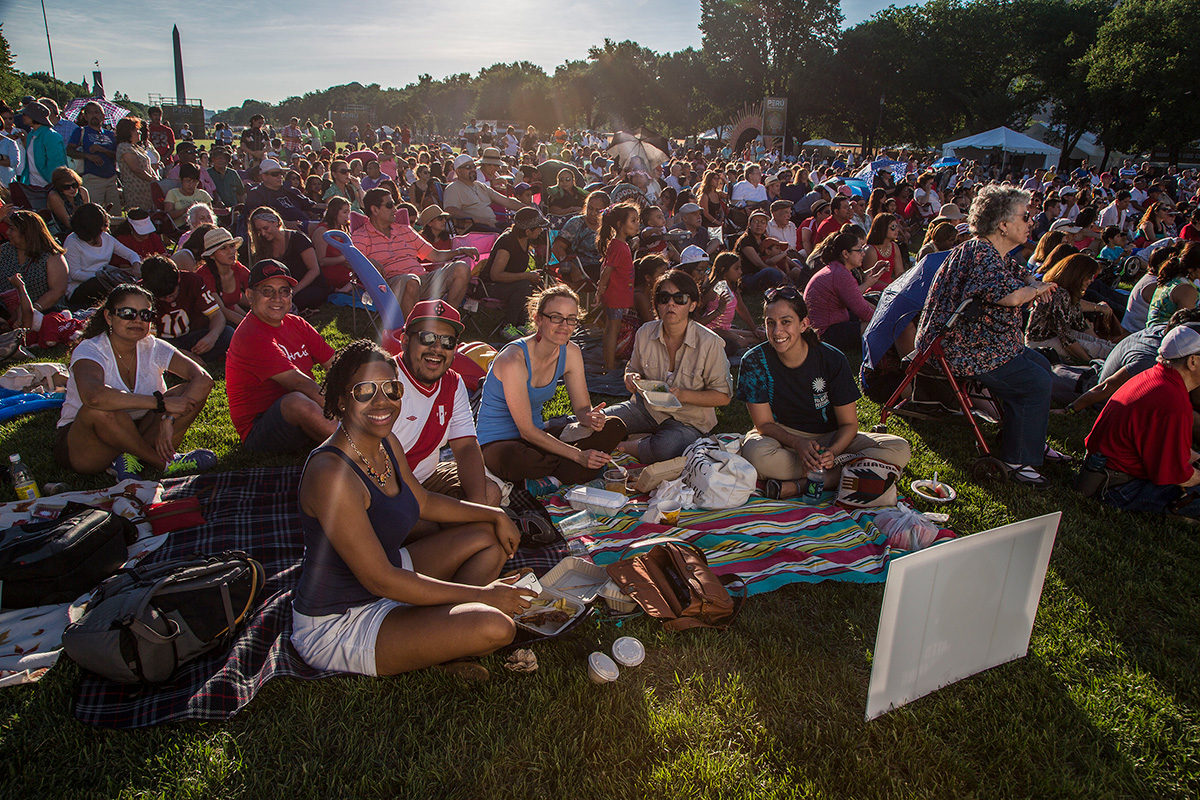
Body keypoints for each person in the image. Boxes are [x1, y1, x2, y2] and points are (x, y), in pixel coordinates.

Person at [292, 339, 532, 680]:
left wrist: (494, 514)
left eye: (392, 389)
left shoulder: (385, 442)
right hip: (343, 619)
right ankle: (448, 633)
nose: (382, 401)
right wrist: (486, 596)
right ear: (341, 399)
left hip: (390, 571)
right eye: (365, 390)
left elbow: (423, 502)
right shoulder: (331, 475)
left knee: (488, 537)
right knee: (496, 628)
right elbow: (380, 580)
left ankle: (441, 629)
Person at [914, 185, 1061, 487]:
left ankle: (1025, 438)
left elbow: (1020, 276)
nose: (1030, 222)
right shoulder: (982, 254)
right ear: (1003, 225)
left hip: (984, 342)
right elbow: (1008, 295)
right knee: (1036, 382)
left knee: (1042, 368)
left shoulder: (993, 252)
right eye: (1024, 216)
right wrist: (1035, 290)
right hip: (960, 346)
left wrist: (1034, 283)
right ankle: (1017, 459)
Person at [738, 287, 911, 498]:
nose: (777, 332)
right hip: (783, 438)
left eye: (786, 322)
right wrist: (797, 443)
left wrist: (833, 452)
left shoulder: (831, 359)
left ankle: (807, 483)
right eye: (770, 322)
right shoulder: (754, 360)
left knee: (899, 448)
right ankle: (850, 474)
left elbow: (849, 424)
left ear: (803, 324)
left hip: (830, 439)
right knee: (756, 454)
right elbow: (764, 425)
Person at [54, 283, 215, 479]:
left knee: (187, 392)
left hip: (139, 429)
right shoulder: (91, 349)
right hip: (87, 441)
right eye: (128, 313)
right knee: (102, 410)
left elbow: (203, 379)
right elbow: (93, 396)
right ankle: (163, 463)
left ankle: (129, 459)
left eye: (145, 315)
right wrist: (160, 403)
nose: (137, 320)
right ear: (109, 316)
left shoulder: (153, 346)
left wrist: (169, 418)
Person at [476, 286, 626, 490]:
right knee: (526, 460)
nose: (565, 325)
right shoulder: (514, 359)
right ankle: (574, 470)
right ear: (538, 319)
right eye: (556, 317)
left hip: (538, 438)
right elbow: (526, 431)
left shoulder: (571, 353)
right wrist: (579, 456)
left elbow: (582, 408)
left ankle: (554, 478)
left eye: (571, 318)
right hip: (501, 443)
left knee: (614, 426)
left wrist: (590, 418)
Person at [607, 270, 732, 463]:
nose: (670, 304)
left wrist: (683, 395)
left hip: (688, 421)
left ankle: (616, 447)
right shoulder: (645, 333)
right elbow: (632, 369)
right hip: (647, 409)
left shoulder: (710, 343)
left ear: (692, 305)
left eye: (679, 298)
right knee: (601, 421)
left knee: (666, 447)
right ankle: (635, 442)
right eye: (664, 298)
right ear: (656, 303)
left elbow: (723, 396)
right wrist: (630, 378)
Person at [1081, 325, 1200, 520]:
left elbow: (1160, 442)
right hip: (1120, 488)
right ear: (1192, 361)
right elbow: (1178, 475)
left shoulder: (1157, 377)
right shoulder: (1172, 401)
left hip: (1105, 472)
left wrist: (1194, 458)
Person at [390, 301, 500, 507]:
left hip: (428, 479)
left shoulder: (453, 382)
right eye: (427, 337)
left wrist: (480, 506)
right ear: (404, 341)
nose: (437, 348)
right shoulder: (386, 380)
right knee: (417, 521)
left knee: (490, 493)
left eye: (447, 342)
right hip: (385, 487)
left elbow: (466, 445)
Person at [226, 260, 338, 454]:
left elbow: (336, 364)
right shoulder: (250, 335)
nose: (277, 298)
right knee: (295, 402)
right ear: (250, 296)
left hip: (303, 410)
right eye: (267, 291)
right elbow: (298, 383)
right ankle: (358, 447)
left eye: (284, 291)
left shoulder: (296, 323)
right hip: (259, 429)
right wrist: (343, 411)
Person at [351, 188, 475, 320]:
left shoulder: (404, 230)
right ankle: (411, 331)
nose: (395, 210)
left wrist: (461, 251)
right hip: (389, 286)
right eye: (389, 205)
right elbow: (352, 262)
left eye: (394, 205)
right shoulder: (362, 235)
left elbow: (435, 256)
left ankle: (446, 320)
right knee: (411, 281)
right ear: (375, 210)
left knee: (461, 268)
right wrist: (368, 262)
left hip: (422, 279)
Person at [139, 254, 232, 367]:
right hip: (160, 344)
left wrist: (212, 336)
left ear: (178, 279)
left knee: (227, 333)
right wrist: (178, 354)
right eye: (163, 298)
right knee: (143, 350)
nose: (168, 300)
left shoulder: (192, 280)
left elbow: (217, 315)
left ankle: (178, 365)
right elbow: (143, 338)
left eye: (172, 295)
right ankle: (181, 363)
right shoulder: (139, 293)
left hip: (190, 338)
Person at [1025, 253, 1116, 363]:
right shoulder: (1057, 295)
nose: (1091, 281)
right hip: (1041, 341)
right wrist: (1089, 361)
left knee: (1104, 347)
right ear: (1077, 275)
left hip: (1056, 335)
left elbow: (1081, 325)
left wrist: (1099, 342)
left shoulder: (1069, 293)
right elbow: (1066, 340)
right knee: (1100, 351)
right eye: (1089, 277)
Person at [803, 227, 882, 353]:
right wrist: (886, 319)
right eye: (859, 250)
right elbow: (862, 311)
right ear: (845, 254)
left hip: (822, 327)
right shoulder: (840, 274)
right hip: (824, 333)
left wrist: (881, 311)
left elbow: (858, 301)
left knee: (874, 308)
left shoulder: (837, 269)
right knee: (878, 326)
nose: (863, 253)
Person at [483, 207, 549, 339]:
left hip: (507, 285)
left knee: (538, 284)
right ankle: (507, 326)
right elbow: (495, 275)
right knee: (524, 285)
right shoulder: (507, 242)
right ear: (528, 231)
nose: (541, 230)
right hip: (489, 286)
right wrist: (526, 275)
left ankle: (524, 323)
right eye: (539, 227)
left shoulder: (526, 240)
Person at [63, 203, 143, 310]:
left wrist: (136, 266)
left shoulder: (106, 238)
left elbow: (130, 254)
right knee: (101, 285)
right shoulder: (72, 241)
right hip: (80, 287)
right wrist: (103, 277)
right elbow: (74, 274)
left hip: (105, 280)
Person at [247, 206, 327, 310]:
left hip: (308, 285)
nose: (263, 233)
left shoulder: (298, 239)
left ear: (275, 222)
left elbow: (314, 270)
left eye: (265, 228)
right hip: (282, 289)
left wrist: (294, 290)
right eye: (259, 230)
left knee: (298, 299)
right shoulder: (264, 247)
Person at [597, 202, 640, 372]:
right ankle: (608, 365)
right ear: (620, 225)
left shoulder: (620, 245)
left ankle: (609, 361)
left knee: (611, 328)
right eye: (633, 221)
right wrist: (600, 291)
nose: (637, 225)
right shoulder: (619, 247)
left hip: (618, 293)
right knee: (612, 330)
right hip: (615, 295)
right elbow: (606, 271)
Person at [0, 209, 68, 313]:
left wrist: (31, 310)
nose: (8, 232)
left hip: (44, 313)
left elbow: (58, 290)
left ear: (26, 232)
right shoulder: (5, 250)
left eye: (12, 229)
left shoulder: (51, 256)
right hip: (7, 312)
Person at [442, 154, 525, 233]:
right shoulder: (453, 188)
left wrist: (529, 209)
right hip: (472, 228)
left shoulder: (480, 186)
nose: (473, 169)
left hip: (491, 224)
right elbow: (450, 210)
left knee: (521, 229)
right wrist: (479, 220)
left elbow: (506, 201)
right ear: (459, 171)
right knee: (508, 236)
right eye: (468, 167)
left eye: (474, 167)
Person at [64, 101, 118, 210]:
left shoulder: (110, 134)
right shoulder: (80, 131)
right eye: (90, 113)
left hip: (111, 178)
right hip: (91, 177)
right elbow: (69, 150)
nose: (94, 115)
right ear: (85, 116)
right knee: (93, 212)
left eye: (97, 113)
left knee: (115, 212)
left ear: (103, 116)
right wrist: (88, 156)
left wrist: (102, 150)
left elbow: (117, 155)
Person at [552, 190, 609, 288]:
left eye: (598, 211)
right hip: (575, 267)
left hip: (601, 266)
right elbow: (557, 247)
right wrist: (573, 267)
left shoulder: (608, 226)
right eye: (590, 208)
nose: (592, 213)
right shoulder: (576, 223)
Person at [18, 101, 67, 211]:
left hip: (49, 188)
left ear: (34, 116)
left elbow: (57, 166)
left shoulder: (52, 136)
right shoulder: (31, 134)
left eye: (25, 114)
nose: (23, 116)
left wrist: (53, 187)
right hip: (34, 187)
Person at [243, 158, 321, 227]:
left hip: (304, 223)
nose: (280, 176)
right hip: (282, 231)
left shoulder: (290, 190)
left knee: (326, 225)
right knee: (321, 228)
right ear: (264, 176)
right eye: (275, 174)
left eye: (281, 173)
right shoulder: (257, 194)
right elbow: (257, 219)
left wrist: (330, 206)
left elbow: (312, 205)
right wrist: (288, 224)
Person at [196, 226, 250, 325]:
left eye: (232, 246)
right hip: (208, 322)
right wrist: (251, 325)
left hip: (231, 312)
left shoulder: (238, 268)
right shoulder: (204, 275)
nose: (231, 251)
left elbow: (257, 291)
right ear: (212, 255)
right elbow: (221, 311)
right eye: (223, 248)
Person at [1146, 242, 1200, 328]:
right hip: (1162, 337)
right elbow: (1185, 327)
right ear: (1191, 268)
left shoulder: (1175, 278)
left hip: (1153, 332)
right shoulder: (1187, 290)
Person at [734, 211, 791, 292]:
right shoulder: (745, 240)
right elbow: (759, 264)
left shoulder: (764, 239)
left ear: (766, 226)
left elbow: (778, 255)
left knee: (794, 263)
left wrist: (797, 266)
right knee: (769, 271)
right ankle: (787, 291)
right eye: (756, 221)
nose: (759, 225)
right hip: (747, 277)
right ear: (749, 224)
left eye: (762, 222)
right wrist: (779, 271)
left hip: (761, 273)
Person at [114, 116, 158, 214]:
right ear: (128, 132)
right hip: (136, 191)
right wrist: (153, 180)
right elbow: (136, 169)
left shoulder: (135, 147)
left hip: (146, 189)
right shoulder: (125, 147)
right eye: (136, 130)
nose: (140, 132)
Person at [862, 213, 905, 291]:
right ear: (883, 228)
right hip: (874, 287)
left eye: (897, 227)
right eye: (893, 227)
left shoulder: (894, 246)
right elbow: (869, 279)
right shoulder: (870, 250)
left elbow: (899, 272)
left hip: (889, 285)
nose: (897, 230)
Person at [163, 164, 214, 228]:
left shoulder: (203, 194)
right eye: (188, 181)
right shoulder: (173, 193)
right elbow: (168, 215)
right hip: (182, 227)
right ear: (181, 180)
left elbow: (211, 213)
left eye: (194, 181)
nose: (191, 185)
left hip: (202, 226)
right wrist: (187, 210)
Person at [45, 166, 89, 236]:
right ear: (59, 187)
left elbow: (88, 215)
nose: (72, 189)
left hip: (84, 230)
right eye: (66, 187)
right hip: (62, 234)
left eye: (74, 185)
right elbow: (68, 223)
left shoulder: (82, 191)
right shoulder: (54, 196)